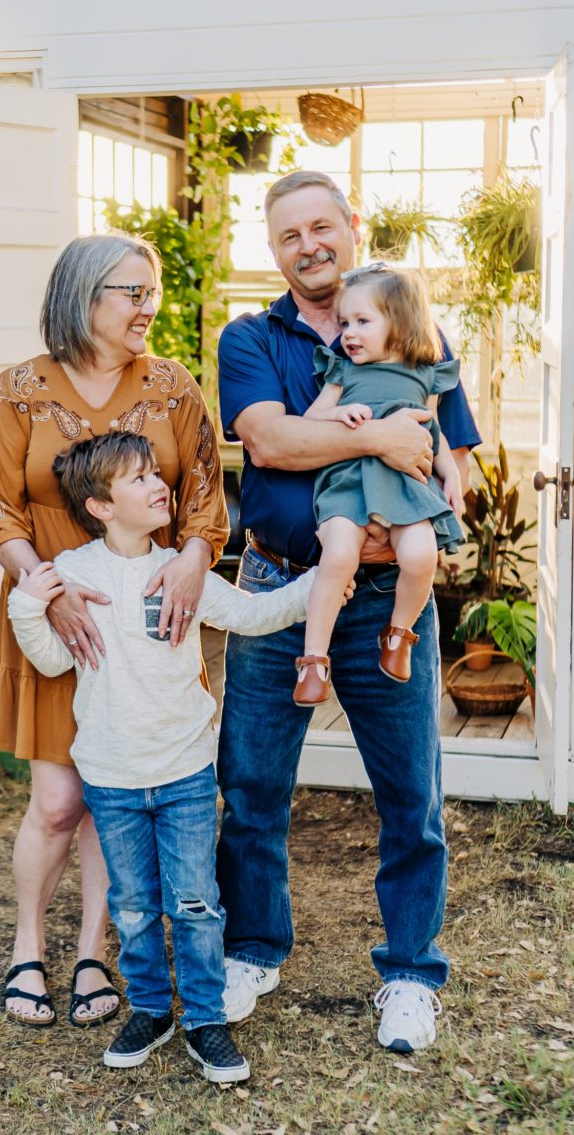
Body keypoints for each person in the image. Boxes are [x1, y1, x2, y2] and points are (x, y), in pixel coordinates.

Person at [216, 171, 481, 1053]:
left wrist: (439, 479)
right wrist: (376, 437)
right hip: (273, 585)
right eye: (289, 235)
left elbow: (459, 461)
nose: (309, 245)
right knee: (253, 787)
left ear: (350, 227)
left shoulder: (415, 326)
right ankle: (252, 950)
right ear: (275, 249)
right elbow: (270, 439)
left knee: (412, 796)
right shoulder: (251, 337)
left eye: (321, 226)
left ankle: (409, 974)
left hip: (385, 599)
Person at [0, 233, 228, 1029]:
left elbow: (205, 496)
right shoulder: (17, 390)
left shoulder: (173, 386)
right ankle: (25, 948)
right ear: (83, 298)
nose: (148, 306)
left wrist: (191, 560)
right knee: (59, 798)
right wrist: (44, 590)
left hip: (145, 619)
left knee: (113, 790)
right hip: (52, 606)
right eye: (132, 292)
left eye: (151, 292)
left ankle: (91, 951)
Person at [6, 431, 319, 1083]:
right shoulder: (76, 574)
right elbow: (51, 658)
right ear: (99, 505)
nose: (159, 486)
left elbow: (255, 615)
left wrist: (324, 580)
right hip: (112, 777)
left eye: (157, 474)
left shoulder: (183, 568)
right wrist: (29, 604)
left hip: (183, 771)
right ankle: (151, 1009)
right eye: (140, 478)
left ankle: (205, 1020)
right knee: (134, 907)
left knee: (197, 902)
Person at [294, 264, 465, 706]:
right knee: (339, 557)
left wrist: (452, 477)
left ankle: (399, 633)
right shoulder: (342, 372)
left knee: (421, 554)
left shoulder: (425, 375)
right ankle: (314, 659)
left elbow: (435, 433)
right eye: (345, 322)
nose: (349, 333)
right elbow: (309, 421)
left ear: (401, 321)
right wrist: (336, 416)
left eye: (362, 322)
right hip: (348, 485)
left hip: (406, 486)